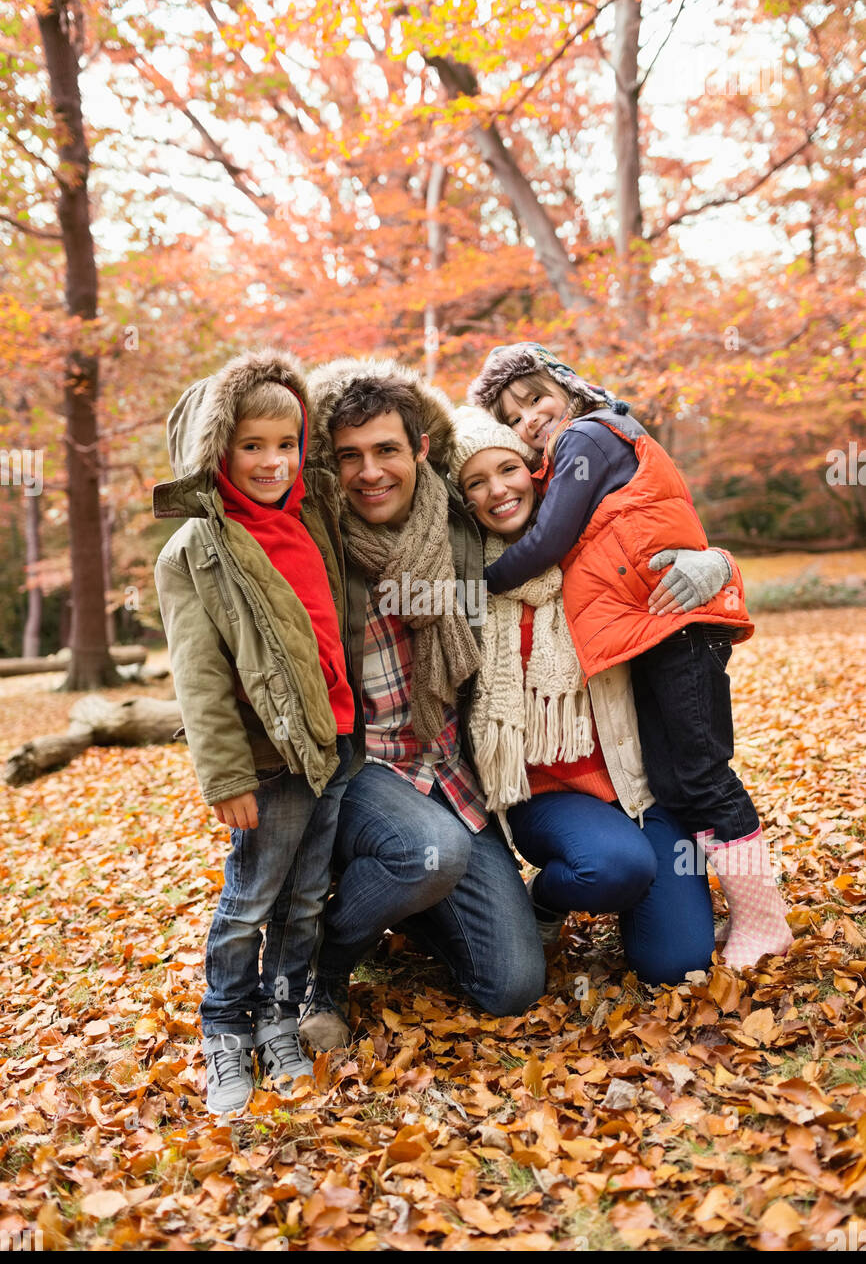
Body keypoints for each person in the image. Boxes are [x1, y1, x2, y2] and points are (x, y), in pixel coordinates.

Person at [468, 342, 793, 968]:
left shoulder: (587, 439)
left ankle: (762, 917)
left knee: (697, 779)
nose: (529, 419)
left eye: (535, 398)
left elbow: (563, 541)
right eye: (511, 417)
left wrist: (720, 564)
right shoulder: (551, 489)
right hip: (567, 780)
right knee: (684, 778)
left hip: (672, 652)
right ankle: (740, 911)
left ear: (566, 385)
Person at [295, 359, 547, 1051]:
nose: (370, 472)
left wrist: (711, 563)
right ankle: (327, 962)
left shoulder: (459, 525)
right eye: (349, 457)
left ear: (421, 452)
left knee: (513, 987)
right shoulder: (315, 541)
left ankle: (400, 902)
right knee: (432, 853)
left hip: (448, 767)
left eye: (386, 451)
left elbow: (552, 494)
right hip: (359, 775)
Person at [153, 349, 355, 1114]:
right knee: (249, 902)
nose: (273, 462)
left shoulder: (311, 517)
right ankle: (224, 1031)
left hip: (329, 744)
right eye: (252, 445)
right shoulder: (197, 551)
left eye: (286, 443)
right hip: (266, 762)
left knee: (303, 901)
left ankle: (278, 1016)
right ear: (217, 450)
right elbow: (199, 679)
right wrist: (226, 777)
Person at [450, 407, 717, 984]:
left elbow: (669, 549)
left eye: (508, 469)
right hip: (545, 793)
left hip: (638, 782)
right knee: (612, 867)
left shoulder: (589, 549)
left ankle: (643, 885)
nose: (498, 489)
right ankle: (547, 898)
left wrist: (716, 563)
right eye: (476, 481)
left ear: (534, 472)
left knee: (678, 964)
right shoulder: (464, 581)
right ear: (462, 498)